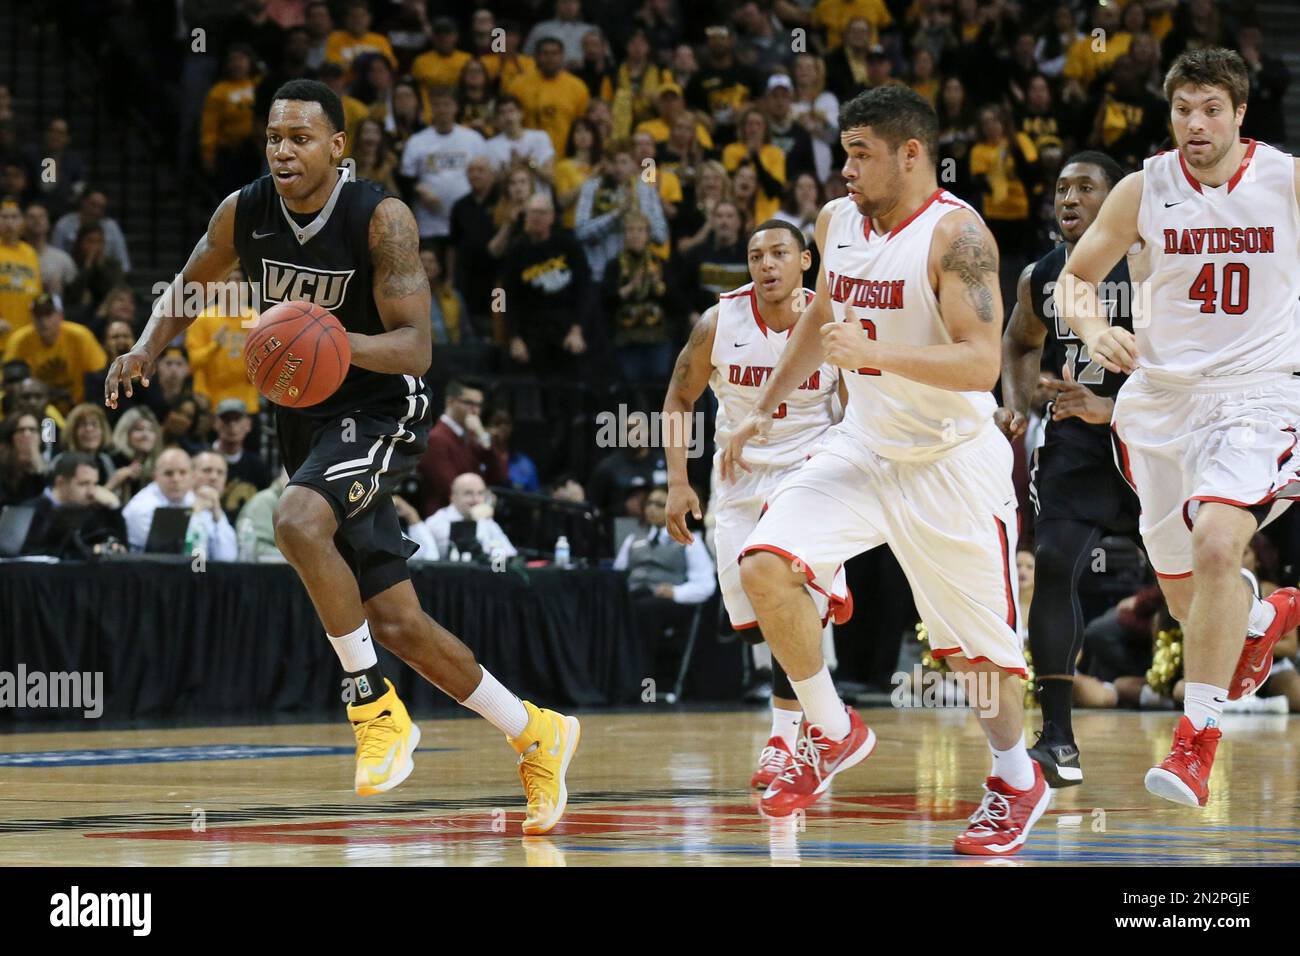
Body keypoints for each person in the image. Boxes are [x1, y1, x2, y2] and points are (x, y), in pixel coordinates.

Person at [102, 79, 580, 833]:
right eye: (273, 137)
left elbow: (416, 349)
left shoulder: (381, 219)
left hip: (381, 408)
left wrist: (324, 338)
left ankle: (373, 708)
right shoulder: (244, 210)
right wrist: (143, 347)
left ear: (337, 146)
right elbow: (189, 288)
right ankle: (536, 732)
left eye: (299, 138)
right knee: (397, 623)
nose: (282, 151)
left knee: (296, 520)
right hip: (305, 419)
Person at [725, 86, 1047, 854]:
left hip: (950, 460)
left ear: (910, 154)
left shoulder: (957, 237)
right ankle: (832, 729)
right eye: (844, 152)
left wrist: (874, 354)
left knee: (974, 657)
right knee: (764, 563)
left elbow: (980, 363)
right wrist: (765, 405)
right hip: (865, 446)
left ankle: (1014, 776)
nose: (845, 169)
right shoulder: (836, 222)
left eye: (860, 154)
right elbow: (821, 316)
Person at [1056, 48, 1300, 808]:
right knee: (1191, 599)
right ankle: (1258, 617)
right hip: (1161, 404)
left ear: (1240, 113)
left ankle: (1196, 742)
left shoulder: (1287, 181)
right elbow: (1074, 280)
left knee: (1219, 543)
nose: (1196, 124)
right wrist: (1095, 330)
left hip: (1257, 394)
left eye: (1212, 110)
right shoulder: (1143, 188)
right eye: (1183, 110)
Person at [663, 218, 848, 789]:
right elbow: (679, 397)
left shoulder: (834, 320)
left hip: (811, 474)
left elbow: (855, 408)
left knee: (785, 596)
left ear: (806, 262)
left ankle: (785, 739)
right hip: (739, 479)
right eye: (755, 255)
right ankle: (823, 713)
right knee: (753, 625)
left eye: (779, 253)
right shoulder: (719, 322)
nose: (766, 264)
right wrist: (678, 481)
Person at [996, 150, 1139, 788]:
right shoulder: (1044, 273)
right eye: (1061, 189)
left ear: (1119, 199)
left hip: (1154, 442)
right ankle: (1057, 737)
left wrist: (1115, 407)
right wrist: (1017, 400)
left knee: (1191, 574)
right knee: (1053, 564)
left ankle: (1210, 706)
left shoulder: (1155, 261)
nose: (1069, 199)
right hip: (1076, 446)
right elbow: (1019, 340)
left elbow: (1192, 360)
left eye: (1085, 188)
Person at [614, 485, 716, 684]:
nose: (652, 509)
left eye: (660, 505)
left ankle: (641, 679)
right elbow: (618, 574)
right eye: (649, 503)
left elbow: (706, 584)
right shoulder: (633, 539)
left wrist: (676, 592)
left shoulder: (689, 540)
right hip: (635, 595)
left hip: (666, 602)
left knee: (645, 609)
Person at [399, 86, 489, 248]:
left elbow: (488, 176)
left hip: (467, 221)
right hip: (430, 223)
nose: (442, 110)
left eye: (447, 105)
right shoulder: (417, 141)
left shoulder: (473, 139)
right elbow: (405, 179)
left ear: (456, 107)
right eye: (437, 105)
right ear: (431, 108)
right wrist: (418, 189)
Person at [120, 447, 237, 559]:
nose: (176, 479)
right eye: (169, 473)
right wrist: (193, 513)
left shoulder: (192, 498)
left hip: (193, 570)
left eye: (183, 473)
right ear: (155, 476)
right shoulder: (141, 507)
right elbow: (167, 552)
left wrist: (217, 513)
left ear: (192, 476)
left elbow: (227, 557)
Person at [416, 379, 508, 516]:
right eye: (469, 403)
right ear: (450, 402)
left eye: (479, 405)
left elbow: (499, 476)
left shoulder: (474, 437)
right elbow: (451, 490)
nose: (475, 411)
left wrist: (484, 438)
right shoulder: (436, 439)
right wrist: (486, 499)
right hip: (445, 520)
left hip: (474, 517)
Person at [3, 293, 107, 407]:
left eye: (48, 314)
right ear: (31, 318)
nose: (43, 321)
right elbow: (7, 379)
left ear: (60, 316)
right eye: (38, 315)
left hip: (78, 407)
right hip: (34, 408)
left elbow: (99, 373)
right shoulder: (19, 341)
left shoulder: (80, 336)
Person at [19, 451, 125, 557]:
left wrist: (114, 507)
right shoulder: (29, 512)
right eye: (84, 484)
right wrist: (91, 550)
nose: (92, 492)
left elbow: (119, 548)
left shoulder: (90, 510)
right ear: (60, 482)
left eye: (95, 484)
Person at [407, 472, 517, 562]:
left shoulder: (486, 521)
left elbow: (509, 553)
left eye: (480, 493)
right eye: (468, 493)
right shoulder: (436, 522)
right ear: (452, 497)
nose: (476, 499)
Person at [211, 398, 270, 522]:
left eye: (237, 419)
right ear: (215, 423)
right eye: (226, 420)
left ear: (248, 424)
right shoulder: (203, 461)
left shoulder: (258, 466)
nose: (232, 425)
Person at [0, 197, 40, 348]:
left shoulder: (30, 253)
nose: (9, 222)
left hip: (25, 338)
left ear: (22, 222)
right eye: (4, 217)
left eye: (14, 217)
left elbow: (36, 293)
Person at [108, 406, 160, 503]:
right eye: (139, 429)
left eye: (151, 430)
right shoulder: (110, 460)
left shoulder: (157, 464)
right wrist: (115, 482)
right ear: (125, 433)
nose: (146, 435)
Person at [23, 203, 77, 297]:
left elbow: (74, 292)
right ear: (23, 223)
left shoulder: (62, 259)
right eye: (31, 217)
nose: (37, 220)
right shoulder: (11, 256)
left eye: (41, 216)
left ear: (48, 223)